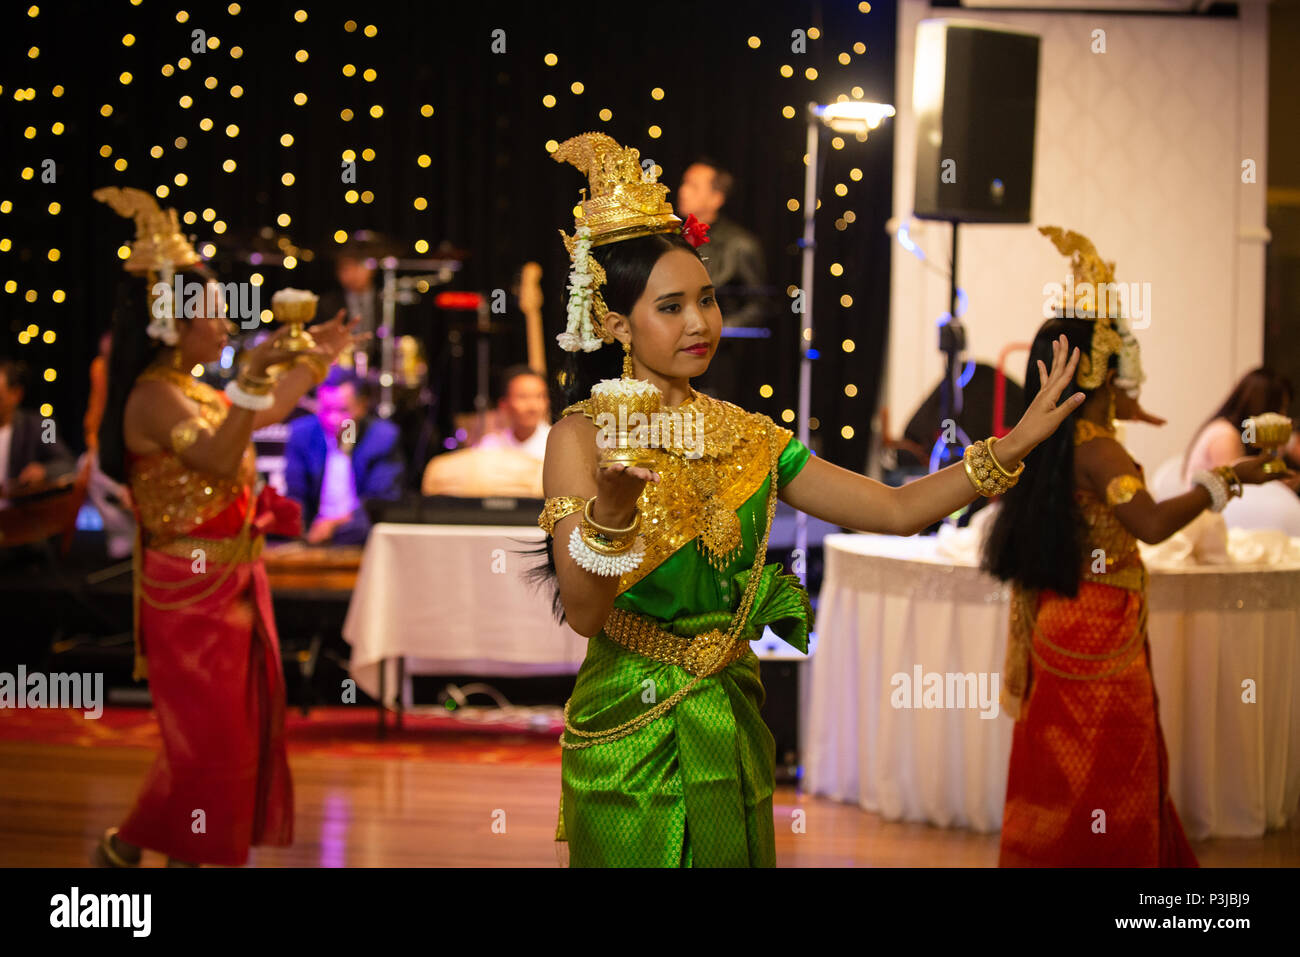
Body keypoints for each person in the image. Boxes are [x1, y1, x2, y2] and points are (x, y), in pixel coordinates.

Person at [534, 134, 1085, 867]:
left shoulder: (751, 437)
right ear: (614, 322)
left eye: (707, 299)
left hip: (729, 720)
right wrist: (610, 510)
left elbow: (895, 510)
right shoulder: (581, 438)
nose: (700, 322)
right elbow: (584, 613)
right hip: (627, 729)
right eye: (672, 306)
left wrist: (1008, 447)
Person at [981, 228, 1295, 868]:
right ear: (1099, 372)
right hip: (1100, 631)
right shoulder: (1099, 449)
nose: (1133, 375)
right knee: (1113, 772)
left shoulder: (1055, 442)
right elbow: (1150, 525)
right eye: (1123, 362)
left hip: (1059, 617)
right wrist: (1229, 479)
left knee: (1058, 770)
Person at [89, 186, 360, 868]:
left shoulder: (199, 387)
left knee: (232, 734)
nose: (223, 326)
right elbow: (215, 451)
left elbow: (261, 412)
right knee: (209, 740)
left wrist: (311, 357)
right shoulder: (151, 395)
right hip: (188, 589)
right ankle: (160, 850)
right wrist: (253, 374)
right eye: (211, 315)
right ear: (169, 323)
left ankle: (143, 849)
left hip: (232, 580)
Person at [675, 159, 768, 403]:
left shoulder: (740, 245)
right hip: (674, 351)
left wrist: (715, 330)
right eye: (684, 183)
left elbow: (760, 306)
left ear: (716, 197)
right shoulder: (673, 239)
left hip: (720, 361)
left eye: (693, 186)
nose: (682, 191)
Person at [284, 369, 404, 545]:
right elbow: (295, 494)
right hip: (312, 537)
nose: (333, 420)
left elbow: (380, 503)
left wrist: (333, 525)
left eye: (342, 410)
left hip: (362, 537)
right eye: (326, 410)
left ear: (362, 406)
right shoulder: (302, 434)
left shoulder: (382, 437)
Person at [1182, 367, 1293, 483]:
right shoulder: (1225, 436)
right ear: (1262, 407)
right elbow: (1235, 490)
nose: (1283, 416)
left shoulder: (1240, 434)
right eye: (1280, 409)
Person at [0, 357, 76, 496]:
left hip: (20, 512)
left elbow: (67, 463)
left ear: (16, 394)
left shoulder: (44, 425)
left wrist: (44, 470)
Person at [477, 364, 551, 461]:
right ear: (504, 404)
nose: (533, 407)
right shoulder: (491, 446)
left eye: (539, 396)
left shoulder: (556, 442)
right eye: (523, 397)